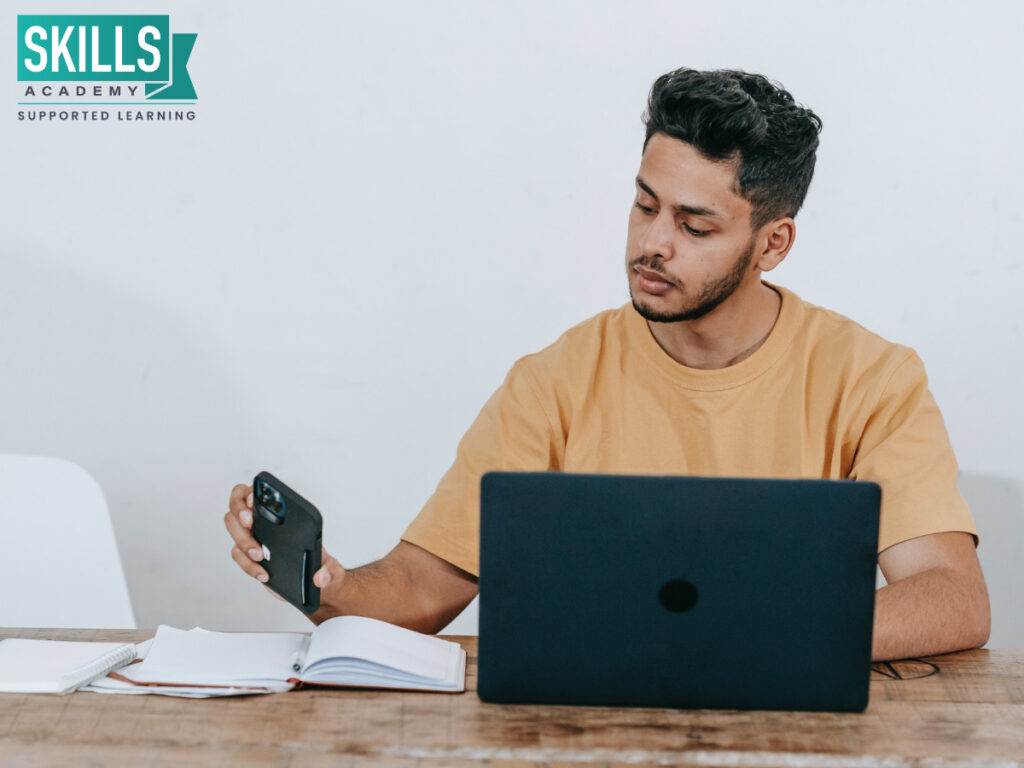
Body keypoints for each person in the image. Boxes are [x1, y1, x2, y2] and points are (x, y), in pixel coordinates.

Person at [225, 67, 989, 661]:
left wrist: (741, 635)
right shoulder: (555, 380)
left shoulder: (870, 378)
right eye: (645, 204)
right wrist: (328, 585)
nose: (652, 243)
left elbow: (953, 599)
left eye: (693, 225)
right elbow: (425, 585)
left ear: (772, 244)